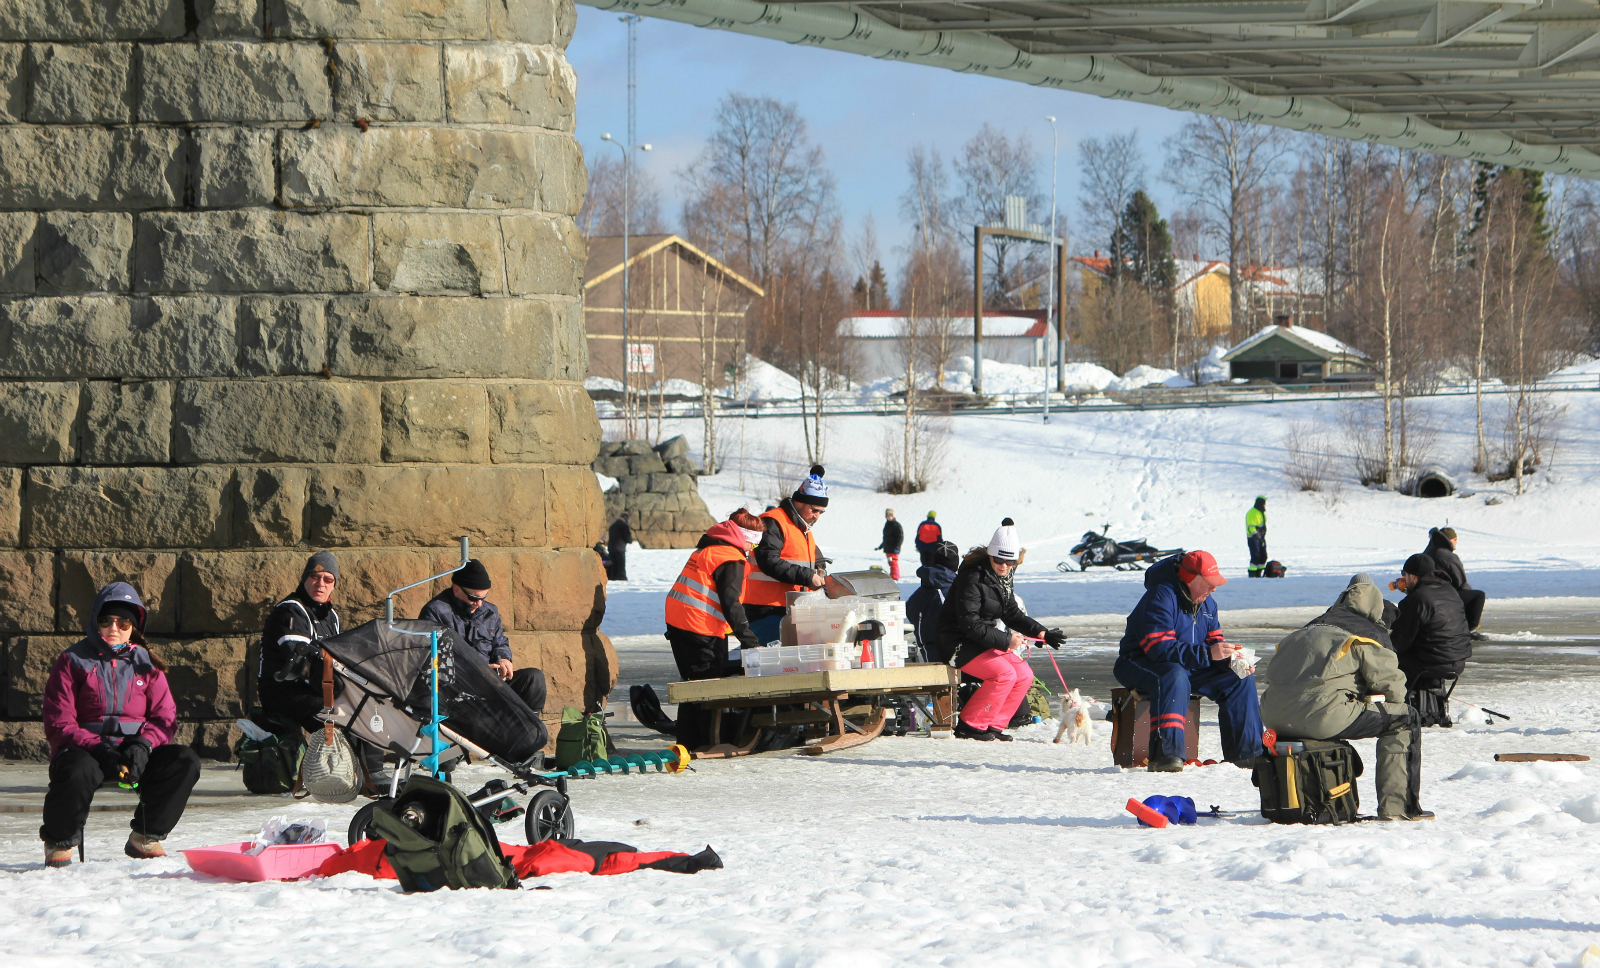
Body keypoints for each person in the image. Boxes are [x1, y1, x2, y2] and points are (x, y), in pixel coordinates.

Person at [40, 583, 202, 866]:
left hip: (133, 752)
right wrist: (98, 748)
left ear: (133, 625)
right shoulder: (71, 661)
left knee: (184, 761)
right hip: (88, 751)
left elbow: (165, 718)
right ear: (95, 622)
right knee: (75, 770)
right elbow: (59, 722)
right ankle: (59, 841)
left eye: (123, 622)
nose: (114, 627)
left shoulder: (147, 664)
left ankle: (145, 835)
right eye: (106, 620)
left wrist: (144, 744)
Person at [1260, 574, 1431, 821]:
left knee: (1321, 709)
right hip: (1321, 715)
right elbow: (1394, 690)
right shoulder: (1366, 633)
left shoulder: (1311, 627)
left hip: (1273, 715)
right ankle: (1398, 808)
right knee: (1404, 719)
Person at [1114, 550, 1263, 772]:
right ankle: (1167, 753)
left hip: (1186, 666)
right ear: (1191, 579)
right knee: (1174, 675)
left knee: (1238, 677)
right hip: (1139, 662)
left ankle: (1248, 754)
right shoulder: (1160, 597)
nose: (1213, 589)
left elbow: (1213, 642)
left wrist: (1232, 660)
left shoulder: (1209, 605)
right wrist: (1208, 654)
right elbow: (1159, 649)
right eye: (1209, 583)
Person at [257, 551, 386, 781]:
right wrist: (339, 689)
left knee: (368, 704)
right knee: (345, 713)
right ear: (304, 579)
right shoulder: (290, 611)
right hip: (284, 691)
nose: (321, 584)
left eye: (328, 579)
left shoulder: (331, 616)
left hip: (319, 686)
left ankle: (371, 772)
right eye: (315, 577)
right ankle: (360, 775)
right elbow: (300, 664)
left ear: (334, 585)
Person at [937, 519, 1065, 741]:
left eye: (1010, 561)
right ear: (990, 555)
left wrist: (1042, 632)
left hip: (981, 640)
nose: (1004, 565)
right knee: (1004, 674)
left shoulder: (1003, 577)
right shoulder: (972, 577)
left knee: (1023, 675)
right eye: (999, 559)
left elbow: (1011, 613)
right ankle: (970, 725)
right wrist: (1006, 641)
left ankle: (994, 725)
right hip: (957, 643)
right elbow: (970, 623)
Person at [419, 558, 548, 751]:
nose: (479, 603)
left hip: (491, 684)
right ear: (456, 589)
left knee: (534, 679)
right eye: (473, 598)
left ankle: (527, 744)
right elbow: (435, 660)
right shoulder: (435, 612)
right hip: (457, 691)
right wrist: (479, 669)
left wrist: (504, 658)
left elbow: (499, 642)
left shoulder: (490, 611)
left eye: (483, 598)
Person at [665, 510, 765, 750]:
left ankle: (687, 742)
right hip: (699, 626)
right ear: (744, 537)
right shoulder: (730, 557)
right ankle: (705, 744)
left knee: (691, 685)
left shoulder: (709, 548)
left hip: (680, 621)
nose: (753, 548)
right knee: (706, 687)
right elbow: (731, 603)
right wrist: (749, 640)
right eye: (754, 541)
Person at [742, 465, 830, 645]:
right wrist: (807, 576)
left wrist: (819, 571)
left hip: (789, 610)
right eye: (814, 510)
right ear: (800, 502)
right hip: (766, 612)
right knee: (768, 668)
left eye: (821, 512)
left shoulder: (803, 529)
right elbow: (768, 560)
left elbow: (803, 559)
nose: (817, 517)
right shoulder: (773, 521)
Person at [1391, 553, 1472, 726]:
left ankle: (1396, 709)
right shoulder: (1450, 591)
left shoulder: (1417, 599)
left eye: (1404, 575)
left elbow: (1399, 642)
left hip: (1431, 663)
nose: (1402, 578)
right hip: (1457, 661)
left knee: (1389, 658)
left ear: (1413, 576)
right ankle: (1433, 707)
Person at [906, 540, 960, 663]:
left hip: (928, 655)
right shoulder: (957, 592)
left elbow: (910, 613)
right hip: (954, 656)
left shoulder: (918, 594)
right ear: (956, 564)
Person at [1424, 526, 1486, 630]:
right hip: (1442, 594)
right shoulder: (1448, 556)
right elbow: (1461, 582)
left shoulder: (1429, 552)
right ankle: (1468, 629)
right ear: (1453, 540)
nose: (1456, 542)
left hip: (1427, 593)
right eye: (1455, 540)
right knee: (1477, 596)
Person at [875, 508, 904, 581]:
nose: (888, 518)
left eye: (889, 516)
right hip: (888, 547)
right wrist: (881, 546)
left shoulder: (896, 525)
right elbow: (885, 538)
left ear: (892, 516)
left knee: (893, 562)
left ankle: (895, 576)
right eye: (887, 516)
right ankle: (892, 575)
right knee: (890, 562)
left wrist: (897, 547)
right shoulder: (887, 524)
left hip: (894, 547)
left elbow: (900, 537)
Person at [1246, 496, 1268, 578]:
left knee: (1263, 556)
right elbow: (1251, 526)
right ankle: (1252, 574)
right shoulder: (1252, 513)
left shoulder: (1260, 512)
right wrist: (1256, 535)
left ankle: (1259, 573)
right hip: (1253, 538)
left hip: (1261, 537)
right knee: (1256, 556)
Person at [607, 511, 632, 581]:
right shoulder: (624, 526)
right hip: (620, 548)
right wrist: (630, 540)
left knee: (613, 563)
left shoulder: (612, 525)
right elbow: (627, 537)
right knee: (621, 564)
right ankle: (621, 577)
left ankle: (612, 576)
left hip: (611, 547)